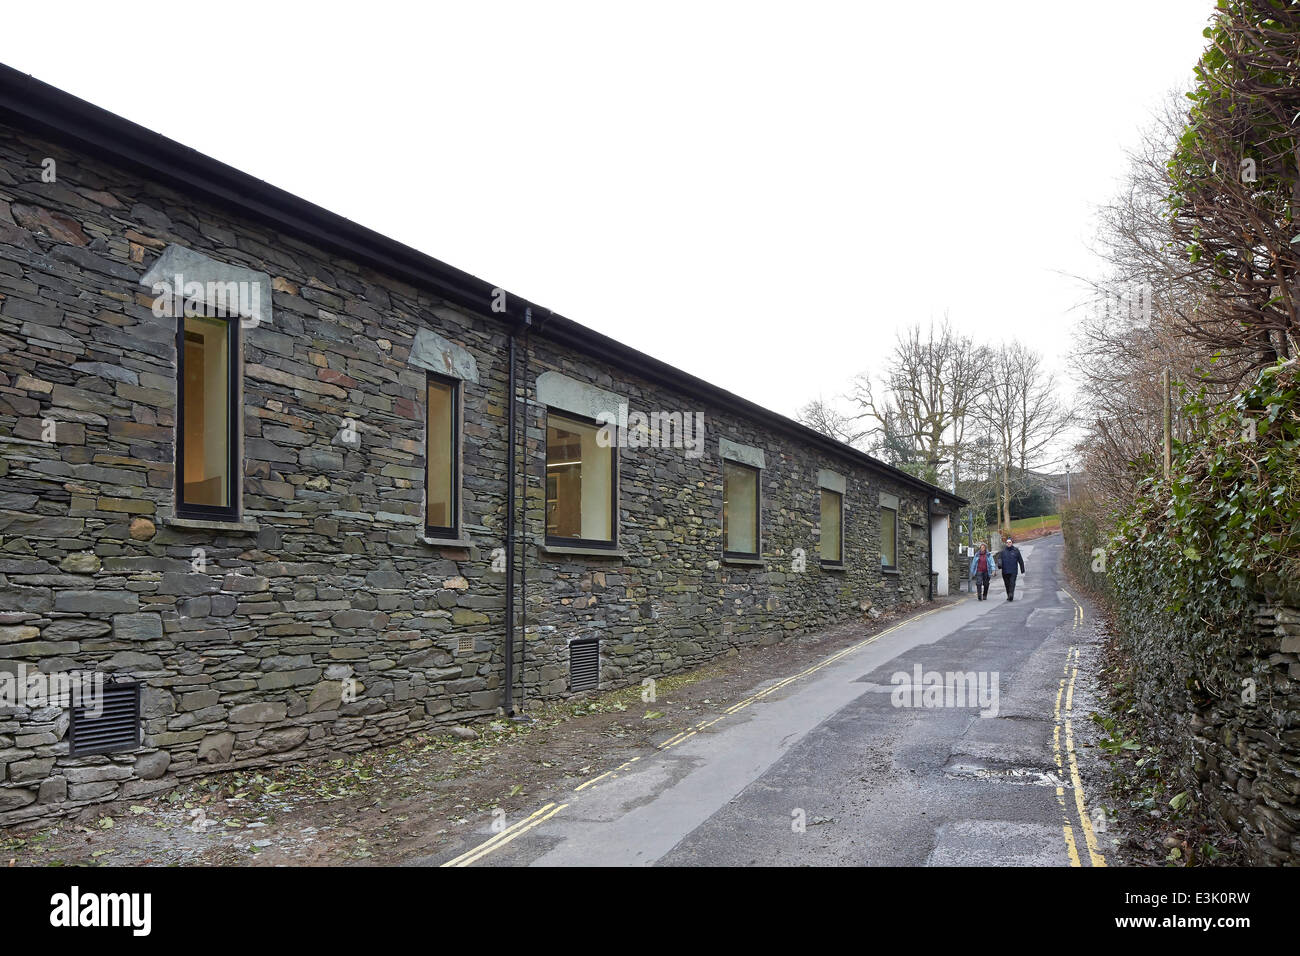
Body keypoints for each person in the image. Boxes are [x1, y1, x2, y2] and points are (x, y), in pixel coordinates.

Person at [998, 536, 1026, 601]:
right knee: (1007, 584)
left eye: (1010, 542)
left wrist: (1022, 569)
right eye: (1007, 542)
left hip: (1013, 571)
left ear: (1012, 543)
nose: (1008, 543)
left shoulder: (1016, 550)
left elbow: (1020, 560)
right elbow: (999, 558)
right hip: (1005, 571)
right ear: (1006, 543)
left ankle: (1011, 594)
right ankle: (1009, 595)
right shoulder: (1003, 551)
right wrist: (999, 565)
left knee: (1012, 583)